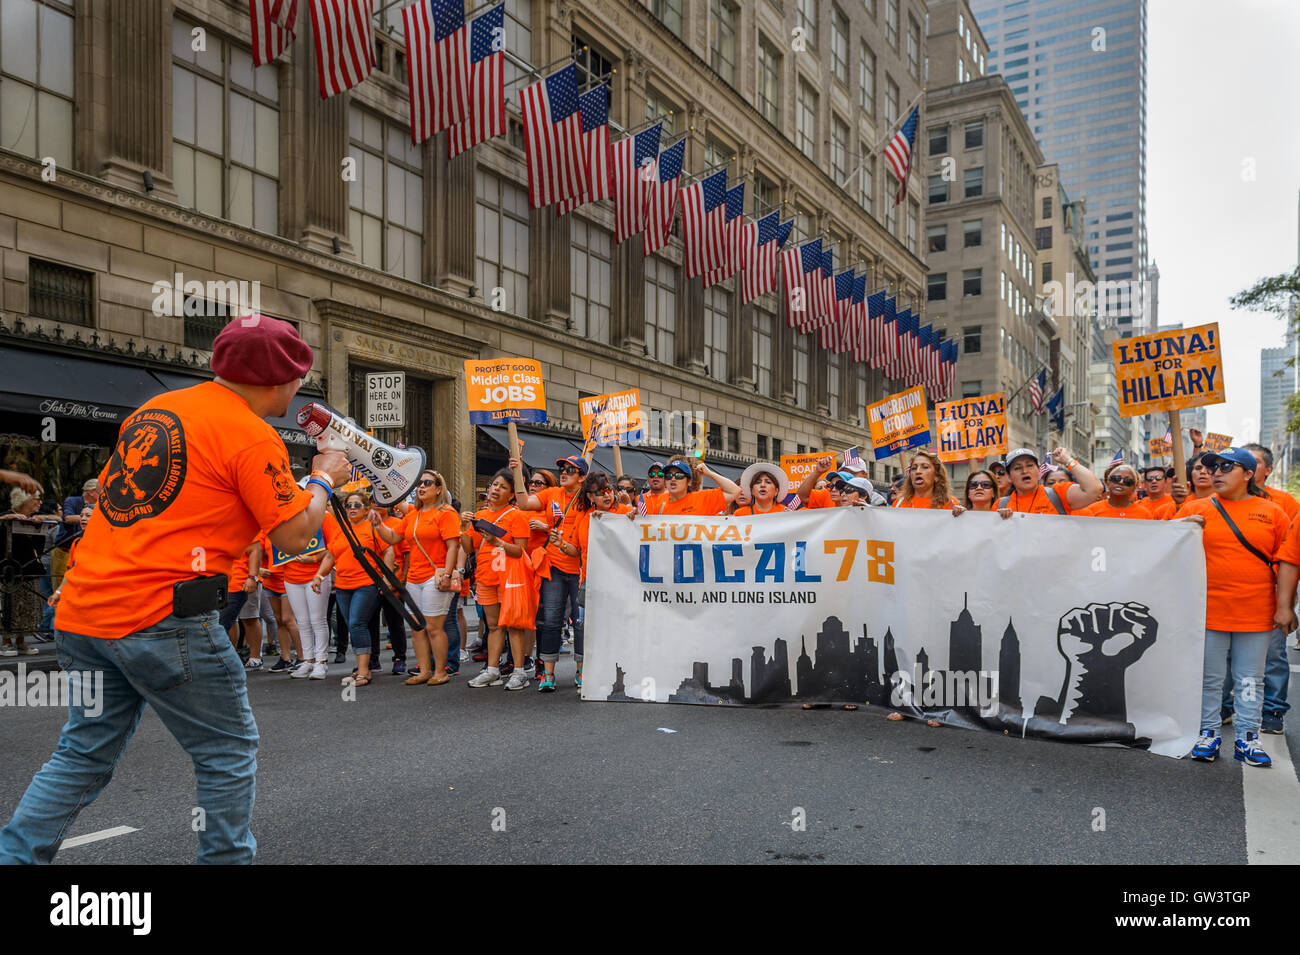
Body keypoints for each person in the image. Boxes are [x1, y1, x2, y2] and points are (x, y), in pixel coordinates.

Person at [0, 315, 348, 865]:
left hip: (85, 608)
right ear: (278, 379)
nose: (299, 387)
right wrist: (325, 477)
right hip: (164, 615)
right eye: (298, 376)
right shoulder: (251, 433)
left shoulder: (153, 411)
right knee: (225, 752)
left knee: (81, 754)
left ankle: (15, 858)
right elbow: (293, 532)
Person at [1183, 447, 1288, 768]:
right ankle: (1207, 734)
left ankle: (1247, 738)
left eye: (1226, 467)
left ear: (1248, 474)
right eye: (1212, 466)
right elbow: (1164, 552)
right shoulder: (1194, 509)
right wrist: (1183, 528)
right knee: (1210, 678)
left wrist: (1285, 606)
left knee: (1249, 679)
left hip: (1256, 612)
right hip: (1207, 610)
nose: (1216, 472)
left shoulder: (1272, 513)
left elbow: (1288, 562)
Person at [542, 472, 633, 691]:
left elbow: (640, 531)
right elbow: (575, 551)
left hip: (620, 582)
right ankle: (553, 673)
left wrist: (632, 513)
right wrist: (560, 543)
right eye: (600, 493)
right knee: (583, 626)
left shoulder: (623, 511)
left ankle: (615, 672)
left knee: (616, 627)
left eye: (608, 490)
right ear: (591, 497)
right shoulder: (586, 517)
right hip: (590, 581)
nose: (607, 495)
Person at [375, 469, 460, 687]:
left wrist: (447, 574)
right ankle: (424, 671)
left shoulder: (446, 513)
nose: (421, 487)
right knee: (417, 627)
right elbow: (394, 537)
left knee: (433, 627)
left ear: (438, 488)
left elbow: (453, 546)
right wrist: (378, 524)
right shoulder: (412, 515)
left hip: (435, 576)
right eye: (419, 483)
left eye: (427, 483)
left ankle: (440, 671)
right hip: (413, 578)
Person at [518, 455, 587, 689]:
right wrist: (518, 471)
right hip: (554, 567)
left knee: (580, 623)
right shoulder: (551, 494)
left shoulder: (587, 497)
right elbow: (524, 504)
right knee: (550, 620)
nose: (564, 472)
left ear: (582, 477)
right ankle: (548, 673)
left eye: (570, 469)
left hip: (580, 568)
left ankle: (581, 671)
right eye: (562, 468)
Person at [463, 469, 532, 690]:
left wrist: (498, 541)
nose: (495, 489)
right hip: (485, 577)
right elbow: (468, 547)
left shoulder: (517, 515)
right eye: (494, 484)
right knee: (493, 626)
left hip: (510, 578)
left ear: (512, 494)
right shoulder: (479, 516)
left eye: (502, 487)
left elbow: (521, 551)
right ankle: (492, 670)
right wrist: (464, 527)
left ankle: (519, 671)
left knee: (512, 625)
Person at [314, 491, 392, 687]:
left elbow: (389, 549)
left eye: (357, 505)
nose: (352, 509)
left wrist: (386, 577)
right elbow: (331, 556)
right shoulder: (341, 529)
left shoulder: (372, 527)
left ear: (367, 509)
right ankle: (361, 667)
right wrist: (319, 575)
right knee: (353, 626)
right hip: (342, 586)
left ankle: (364, 672)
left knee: (357, 624)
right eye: (348, 505)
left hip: (366, 584)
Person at [281, 509, 333, 680]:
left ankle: (321, 662)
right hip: (291, 577)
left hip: (316, 575)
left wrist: (313, 559)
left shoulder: (323, 516)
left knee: (317, 619)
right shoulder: (284, 517)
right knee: (302, 621)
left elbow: (334, 546)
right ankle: (308, 660)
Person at [996, 448, 1102, 517]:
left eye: (1030, 465)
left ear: (1038, 470)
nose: (1025, 471)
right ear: (1009, 477)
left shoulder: (1058, 494)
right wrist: (999, 520)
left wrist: (1068, 461)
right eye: (1017, 468)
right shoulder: (1001, 505)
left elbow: (1095, 489)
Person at [50, 479, 100, 591]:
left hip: (86, 550)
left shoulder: (100, 505)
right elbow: (67, 518)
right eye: (101, 491)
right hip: (64, 550)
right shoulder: (72, 501)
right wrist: (90, 517)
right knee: (62, 590)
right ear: (92, 492)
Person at [649, 457, 740, 515]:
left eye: (679, 476)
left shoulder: (703, 499)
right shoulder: (659, 502)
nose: (673, 479)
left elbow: (734, 491)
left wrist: (709, 473)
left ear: (689, 481)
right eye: (669, 476)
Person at [1078, 462, 1155, 519]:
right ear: (1108, 482)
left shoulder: (1145, 515)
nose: (1121, 482)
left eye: (1127, 481)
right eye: (1116, 479)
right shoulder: (1091, 511)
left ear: (1134, 488)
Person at [892, 449, 960, 510]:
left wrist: (961, 515)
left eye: (925, 467)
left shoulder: (950, 504)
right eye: (914, 468)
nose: (918, 471)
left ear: (936, 476)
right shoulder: (898, 504)